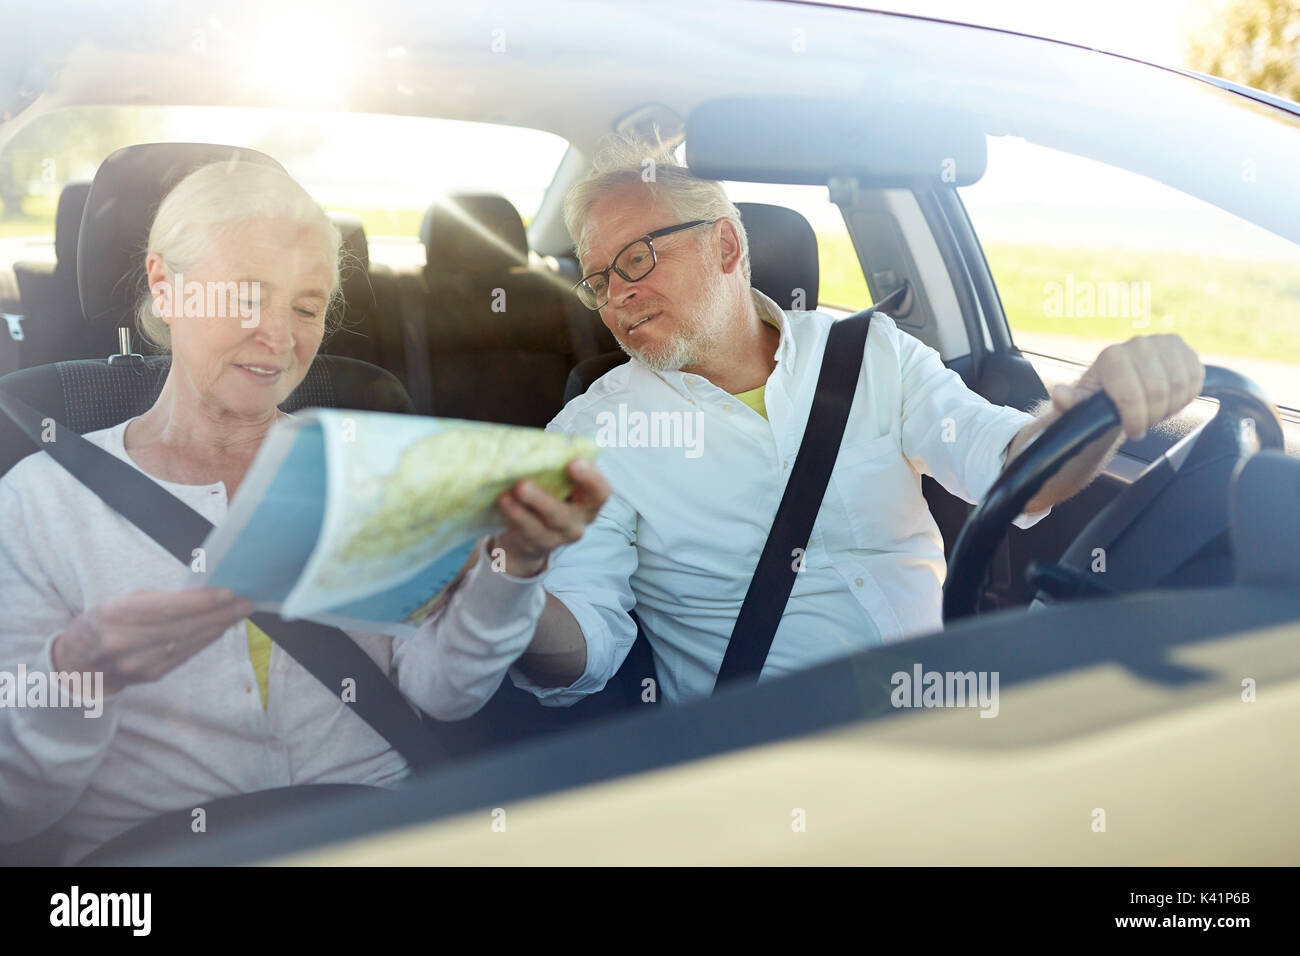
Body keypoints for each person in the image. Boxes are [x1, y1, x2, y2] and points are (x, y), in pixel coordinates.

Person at [0, 160, 609, 863]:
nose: (279, 337)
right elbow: (14, 809)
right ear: (165, 286)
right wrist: (81, 670)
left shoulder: (371, 469)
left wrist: (516, 566)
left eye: (307, 307)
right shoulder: (39, 503)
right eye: (246, 296)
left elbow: (443, 694)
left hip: (377, 833)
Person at [507, 136, 1205, 706]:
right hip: (778, 762)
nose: (617, 297)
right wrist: (500, 596)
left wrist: (1095, 401)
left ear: (724, 248)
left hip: (951, 713)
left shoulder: (871, 353)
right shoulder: (592, 434)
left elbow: (1015, 471)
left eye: (636, 258)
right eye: (598, 280)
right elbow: (583, 649)